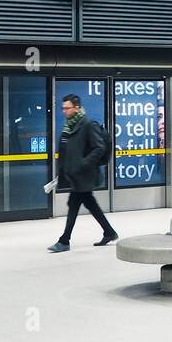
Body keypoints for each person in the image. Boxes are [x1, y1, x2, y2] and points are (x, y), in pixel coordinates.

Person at [47, 94, 118, 252]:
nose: (64, 111)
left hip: (84, 174)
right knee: (90, 204)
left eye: (67, 108)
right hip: (75, 174)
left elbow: (99, 147)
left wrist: (83, 163)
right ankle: (109, 232)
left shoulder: (87, 124)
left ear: (77, 108)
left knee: (74, 205)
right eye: (63, 108)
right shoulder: (69, 126)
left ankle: (64, 241)